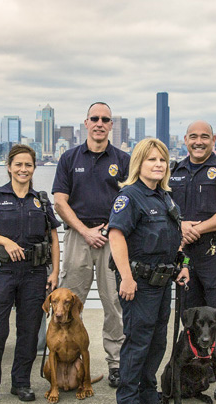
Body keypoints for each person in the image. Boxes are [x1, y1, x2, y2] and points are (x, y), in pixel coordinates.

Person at [108, 138, 189, 404]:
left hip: (162, 281)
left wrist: (184, 265)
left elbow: (173, 239)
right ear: (139, 164)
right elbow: (116, 237)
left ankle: (147, 396)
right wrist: (126, 277)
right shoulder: (130, 196)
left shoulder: (165, 197)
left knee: (156, 343)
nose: (158, 165)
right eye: (151, 160)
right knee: (137, 343)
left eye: (162, 161)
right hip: (139, 284)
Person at [0, 144, 61, 404]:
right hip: (3, 271)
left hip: (34, 273)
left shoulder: (41, 200)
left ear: (34, 168)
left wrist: (55, 271)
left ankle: (21, 383)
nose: (23, 169)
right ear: (9, 167)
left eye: (28, 165)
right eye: (18, 164)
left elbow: (53, 237)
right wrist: (5, 241)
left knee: (29, 331)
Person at [52, 102, 131, 387]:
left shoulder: (123, 159)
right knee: (66, 303)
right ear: (86, 123)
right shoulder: (69, 158)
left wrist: (110, 228)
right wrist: (85, 231)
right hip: (78, 236)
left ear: (111, 125)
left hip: (114, 237)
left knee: (115, 303)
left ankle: (117, 365)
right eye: (94, 118)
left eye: (105, 119)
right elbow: (60, 202)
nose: (99, 123)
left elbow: (130, 200)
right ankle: (64, 360)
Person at [168, 120, 216, 400]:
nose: (198, 141)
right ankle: (196, 369)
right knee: (191, 315)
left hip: (214, 253)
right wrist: (180, 228)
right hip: (184, 253)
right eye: (192, 137)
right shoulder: (174, 171)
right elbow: (164, 206)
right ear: (185, 140)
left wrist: (195, 228)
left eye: (204, 137)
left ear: (214, 139)